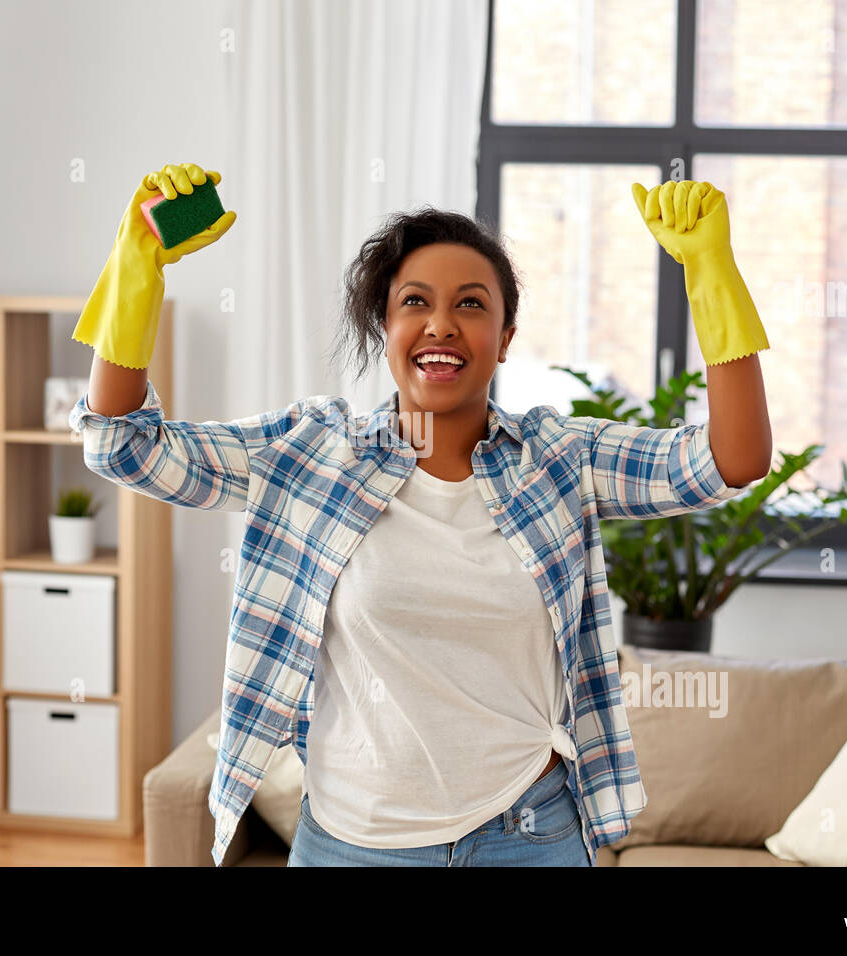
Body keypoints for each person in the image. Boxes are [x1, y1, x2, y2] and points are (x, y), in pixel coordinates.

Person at [69, 163, 773, 866]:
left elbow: (728, 460)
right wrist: (138, 268)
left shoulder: (560, 458)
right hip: (353, 844)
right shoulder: (312, 454)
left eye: (471, 304)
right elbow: (124, 446)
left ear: (505, 335)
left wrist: (709, 270)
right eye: (415, 302)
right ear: (385, 325)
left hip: (530, 836)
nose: (442, 324)